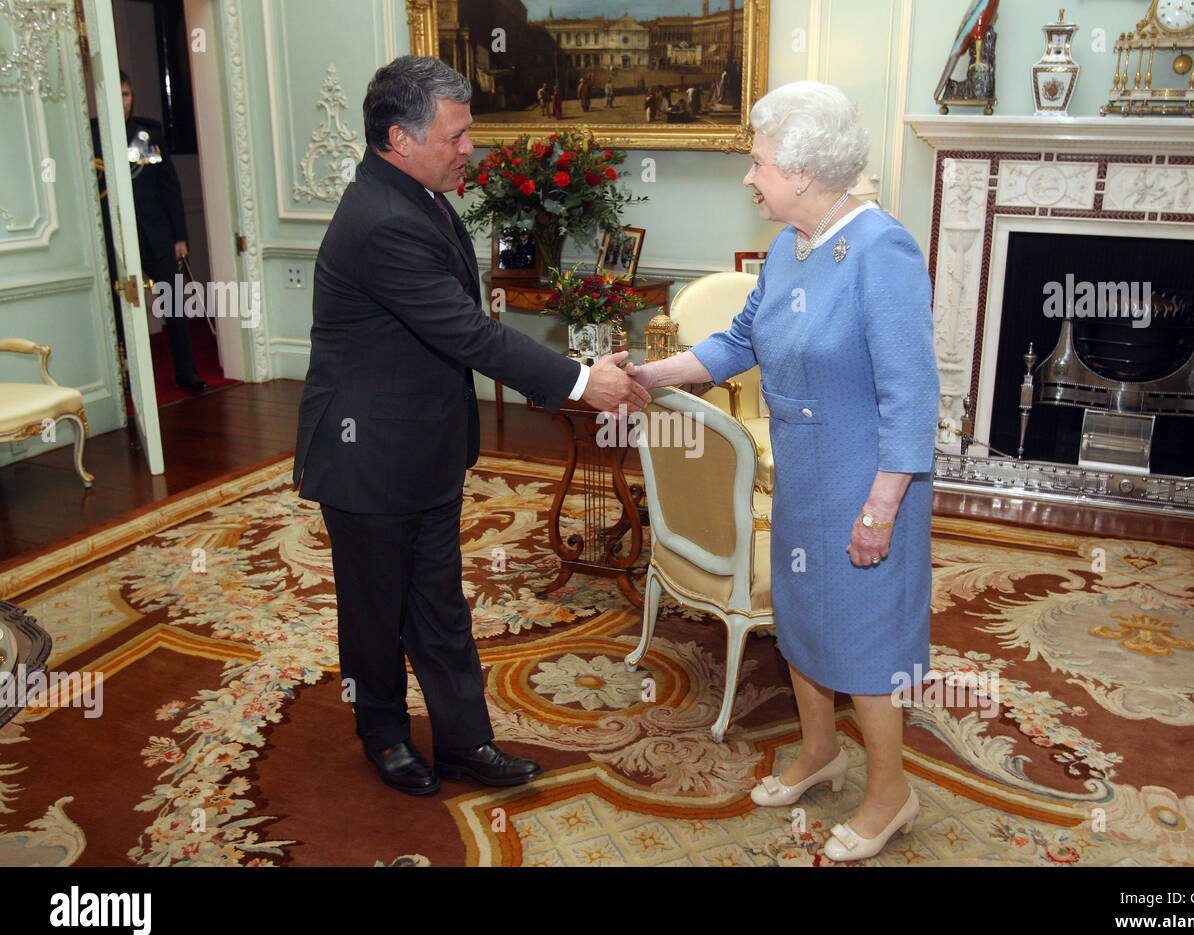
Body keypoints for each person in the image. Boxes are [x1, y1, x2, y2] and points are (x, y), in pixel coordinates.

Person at [293, 56, 649, 797]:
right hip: (367, 455)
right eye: (455, 136)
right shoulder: (381, 219)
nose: (470, 150)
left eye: (468, 132)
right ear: (399, 138)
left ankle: (463, 742)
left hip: (420, 444)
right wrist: (582, 382)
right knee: (375, 612)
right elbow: (468, 333)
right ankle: (383, 736)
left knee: (438, 603)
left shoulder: (419, 195)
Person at [625, 80, 939, 861]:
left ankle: (890, 793)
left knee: (866, 641)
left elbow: (912, 396)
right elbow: (740, 341)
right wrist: (647, 375)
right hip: (802, 476)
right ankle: (821, 752)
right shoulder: (788, 246)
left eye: (758, 162)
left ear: (801, 171)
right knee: (803, 621)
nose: (749, 176)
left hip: (870, 484)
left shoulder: (882, 250)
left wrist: (881, 511)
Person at [99, 72, 208, 392]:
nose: (122, 101)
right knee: (118, 310)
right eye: (116, 94)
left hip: (156, 234)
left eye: (126, 94)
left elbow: (169, 187)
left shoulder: (148, 134)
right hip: (115, 237)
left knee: (174, 304)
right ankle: (124, 378)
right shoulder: (92, 134)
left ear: (132, 98)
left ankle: (186, 373)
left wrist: (180, 237)